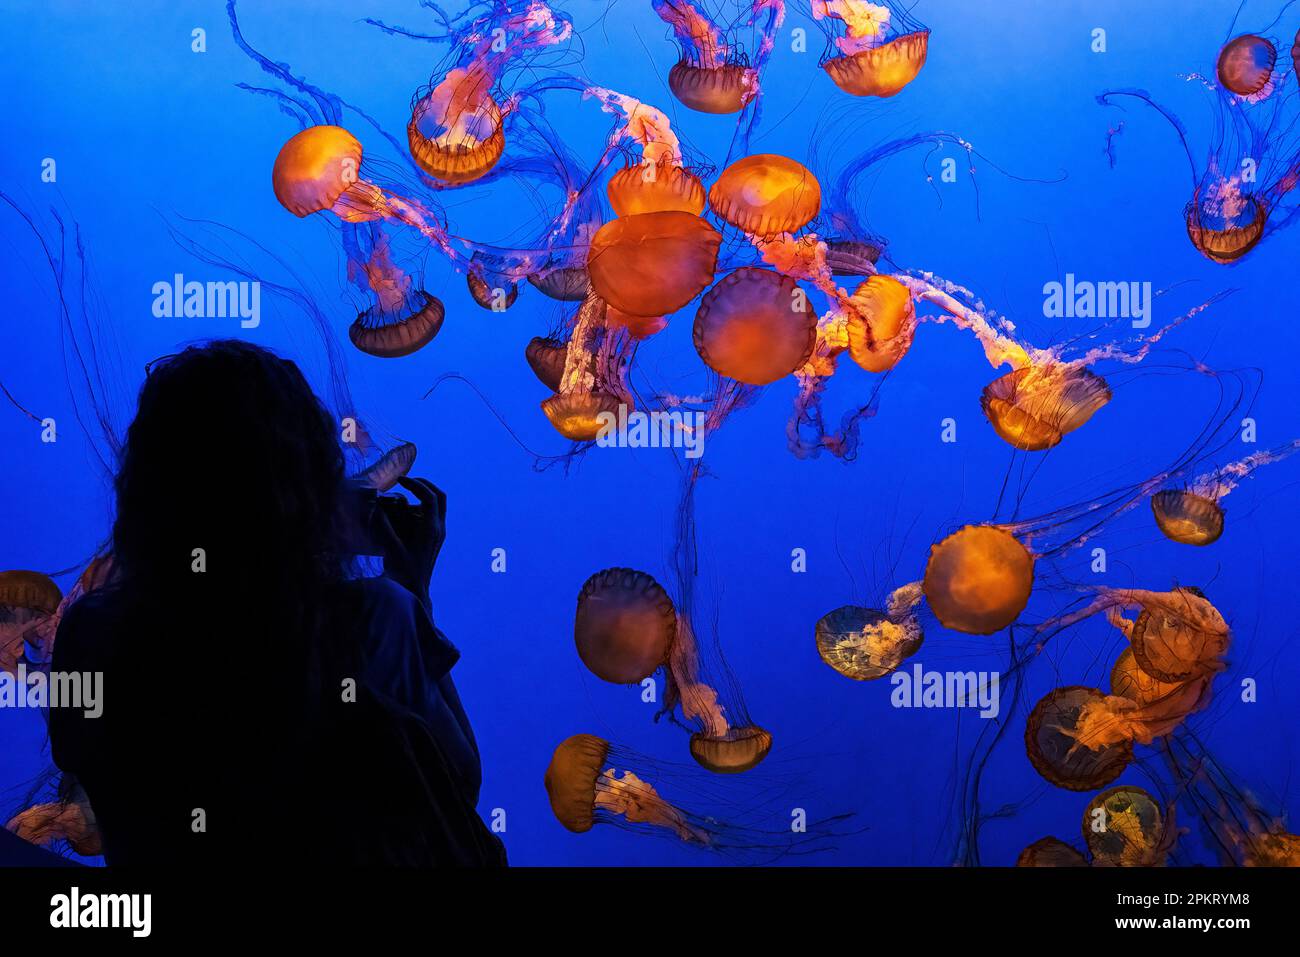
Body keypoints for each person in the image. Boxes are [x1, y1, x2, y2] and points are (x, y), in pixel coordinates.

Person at [47, 340, 505, 866]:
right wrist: (412, 590)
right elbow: (458, 783)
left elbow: (78, 756)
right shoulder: (371, 620)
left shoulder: (89, 631)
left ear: (149, 483)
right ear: (309, 486)